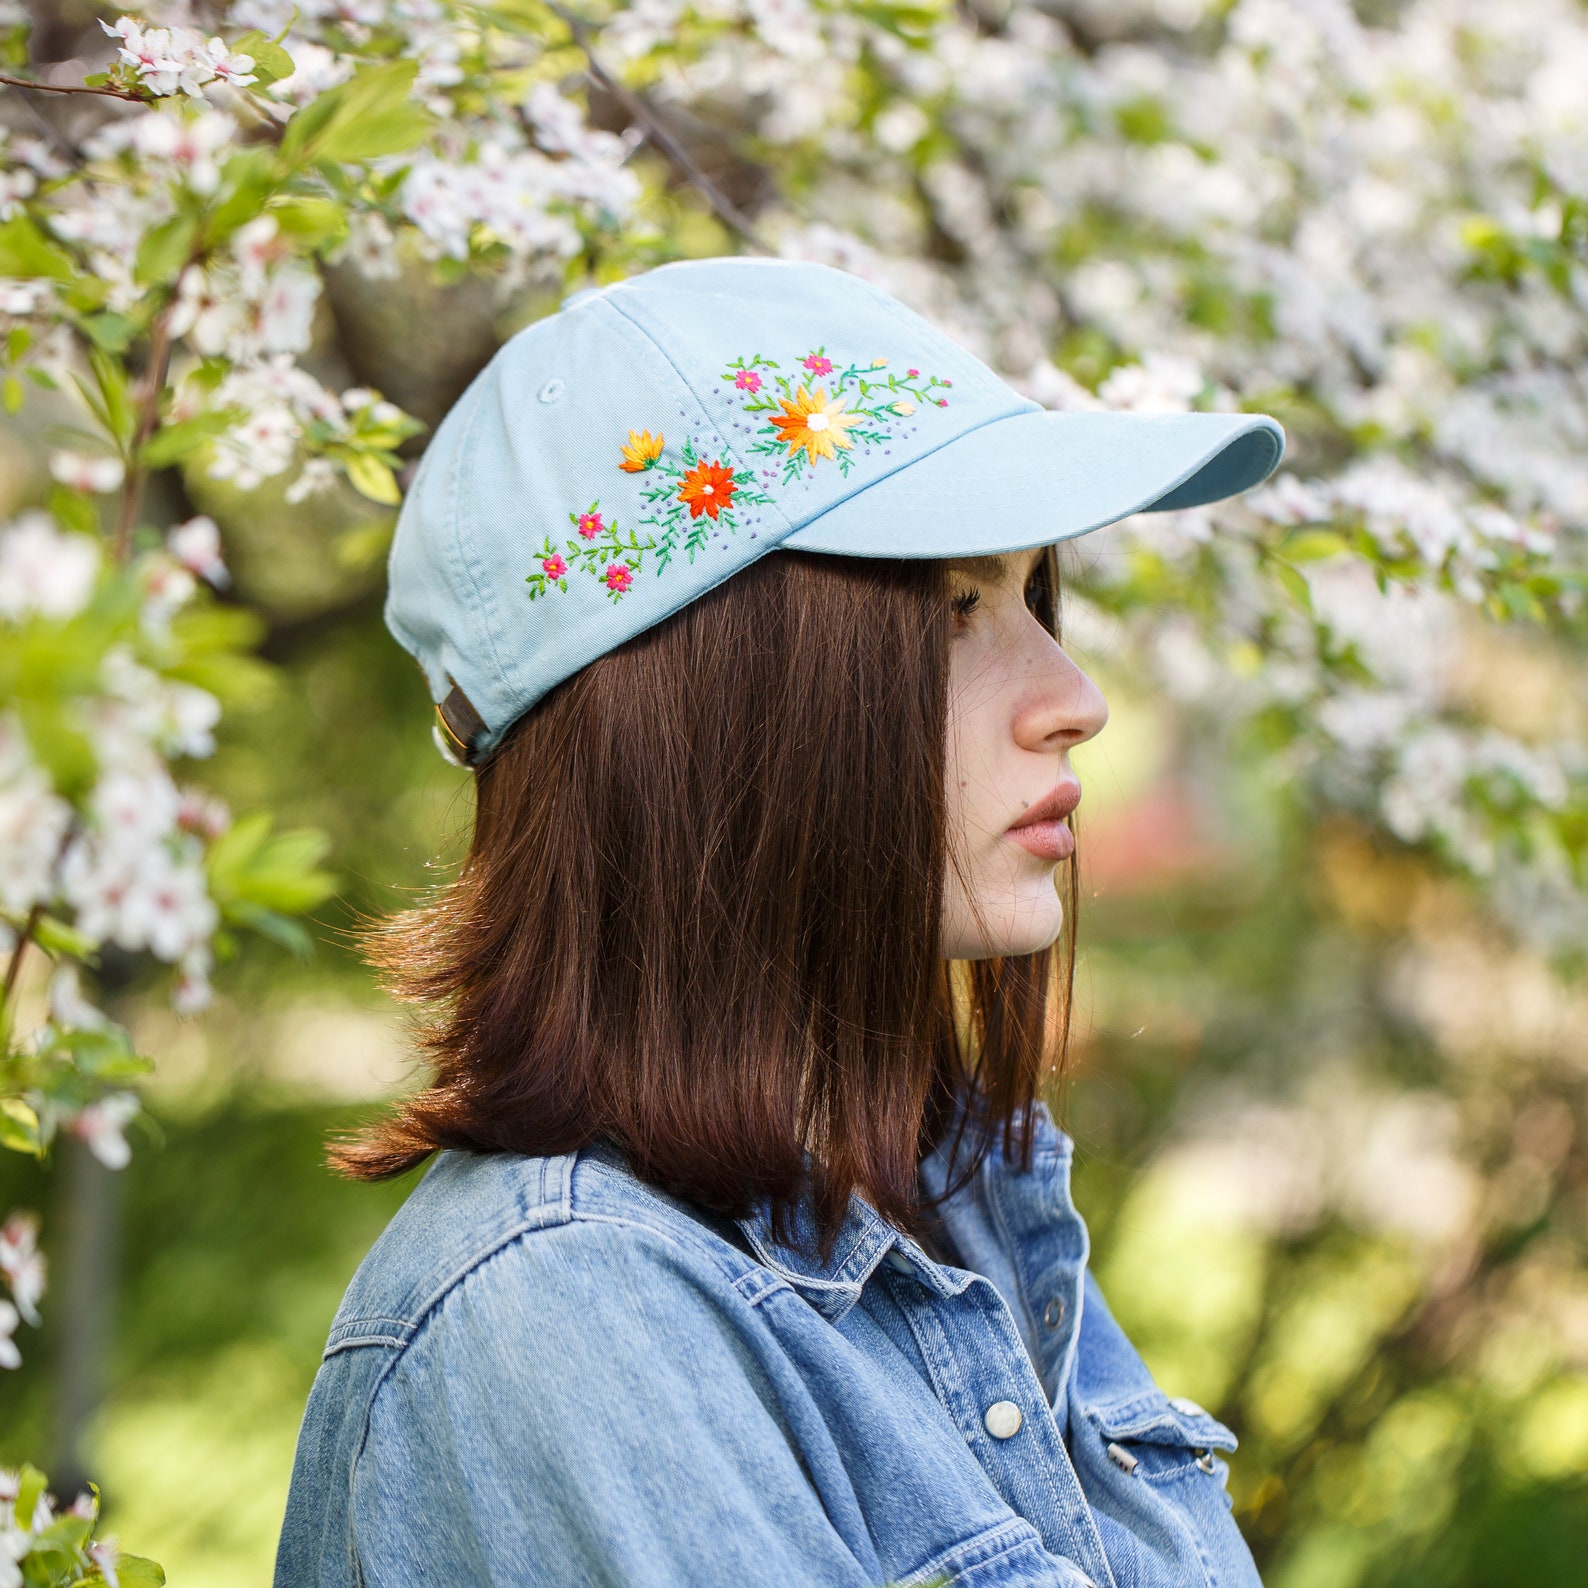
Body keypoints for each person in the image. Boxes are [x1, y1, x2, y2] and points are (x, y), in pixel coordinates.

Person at [274, 257, 1284, 1588]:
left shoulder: (962, 1208)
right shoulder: (573, 1315)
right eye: (955, 610)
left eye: (1033, 599)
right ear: (710, 706)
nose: (1075, 695)